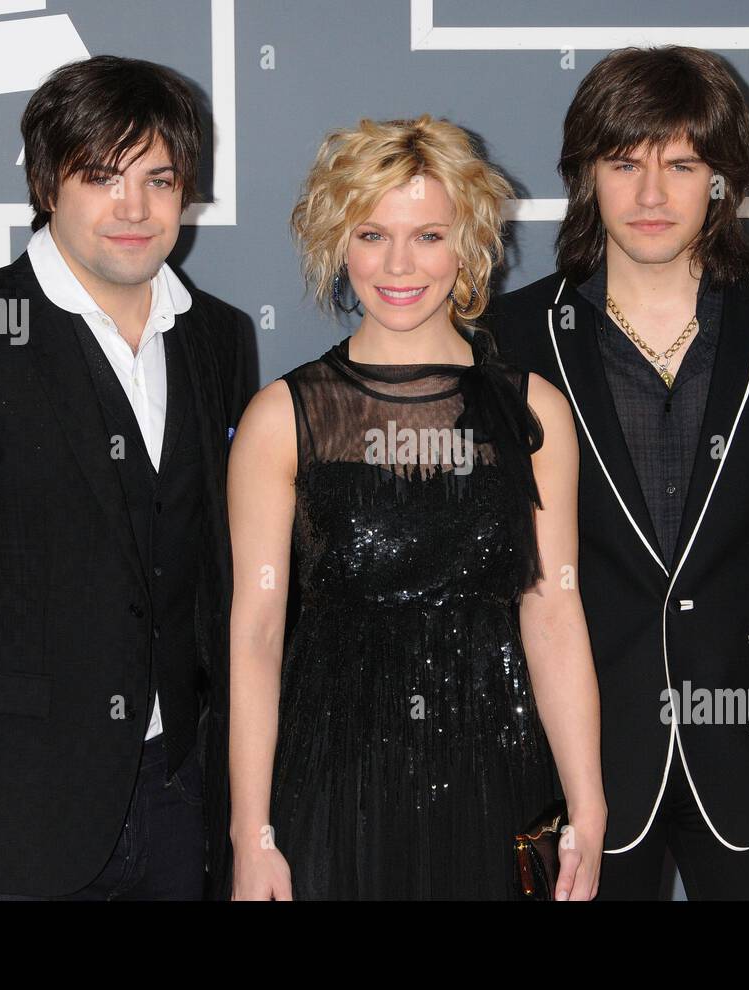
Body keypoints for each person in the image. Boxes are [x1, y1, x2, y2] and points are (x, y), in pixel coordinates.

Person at [482, 46, 749, 899]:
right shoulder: (510, 339)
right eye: (623, 162)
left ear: (724, 178)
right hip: (571, 771)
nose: (649, 194)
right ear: (586, 176)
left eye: (682, 164)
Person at [0, 55, 251, 900]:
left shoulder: (217, 336)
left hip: (186, 798)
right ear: (46, 183)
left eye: (159, 178)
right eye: (101, 176)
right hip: (13, 805)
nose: (134, 209)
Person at [226, 115, 605, 900]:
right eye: (372, 234)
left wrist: (588, 803)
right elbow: (256, 635)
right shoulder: (282, 418)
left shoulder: (533, 414)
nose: (399, 264)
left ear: (467, 245)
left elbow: (555, 611)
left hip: (496, 774)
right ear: (338, 243)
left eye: (428, 235)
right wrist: (250, 833)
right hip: (334, 785)